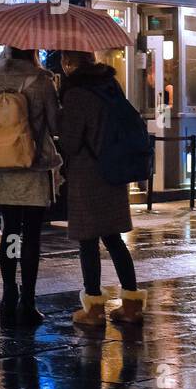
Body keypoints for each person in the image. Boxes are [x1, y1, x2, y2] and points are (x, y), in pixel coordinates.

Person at [58, 51, 145, 328]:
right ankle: (131, 305)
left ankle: (94, 308)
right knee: (114, 238)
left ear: (70, 63)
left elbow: (71, 143)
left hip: (88, 174)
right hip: (114, 169)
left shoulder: (76, 94)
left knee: (87, 241)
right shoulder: (110, 85)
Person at [0, 47, 61, 326]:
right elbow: (55, 124)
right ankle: (27, 300)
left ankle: (7, 296)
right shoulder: (41, 79)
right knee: (32, 235)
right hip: (33, 163)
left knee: (10, 232)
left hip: (3, 163)